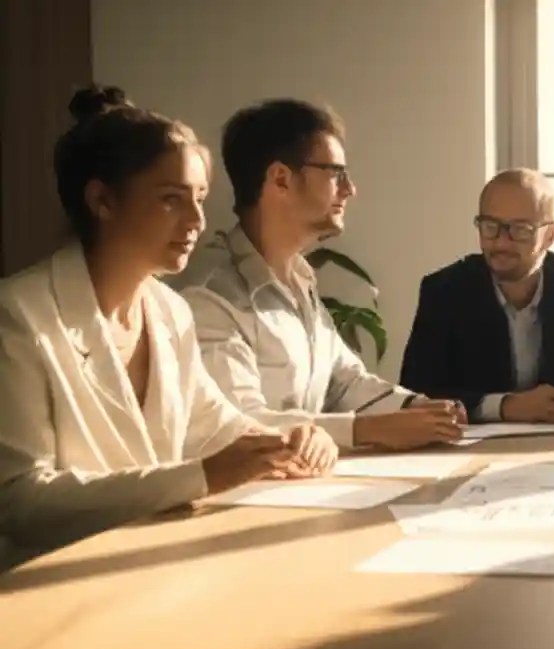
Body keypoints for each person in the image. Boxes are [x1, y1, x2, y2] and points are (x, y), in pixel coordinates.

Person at [0, 86, 332, 571]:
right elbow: (20, 501)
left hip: (151, 567)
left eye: (199, 198)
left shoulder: (169, 312)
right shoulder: (21, 315)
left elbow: (216, 424)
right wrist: (197, 478)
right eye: (172, 200)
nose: (197, 220)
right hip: (47, 587)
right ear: (102, 200)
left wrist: (297, 438)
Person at [169, 99, 463, 452]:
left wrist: (417, 408)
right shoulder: (208, 298)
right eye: (336, 173)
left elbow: (344, 381)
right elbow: (239, 424)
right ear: (281, 179)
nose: (350, 189)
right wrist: (367, 430)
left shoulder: (300, 279)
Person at [400, 168, 554, 423]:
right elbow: (415, 393)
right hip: (467, 449)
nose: (501, 242)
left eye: (520, 229)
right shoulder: (445, 290)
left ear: (550, 236)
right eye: (490, 226)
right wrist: (504, 406)